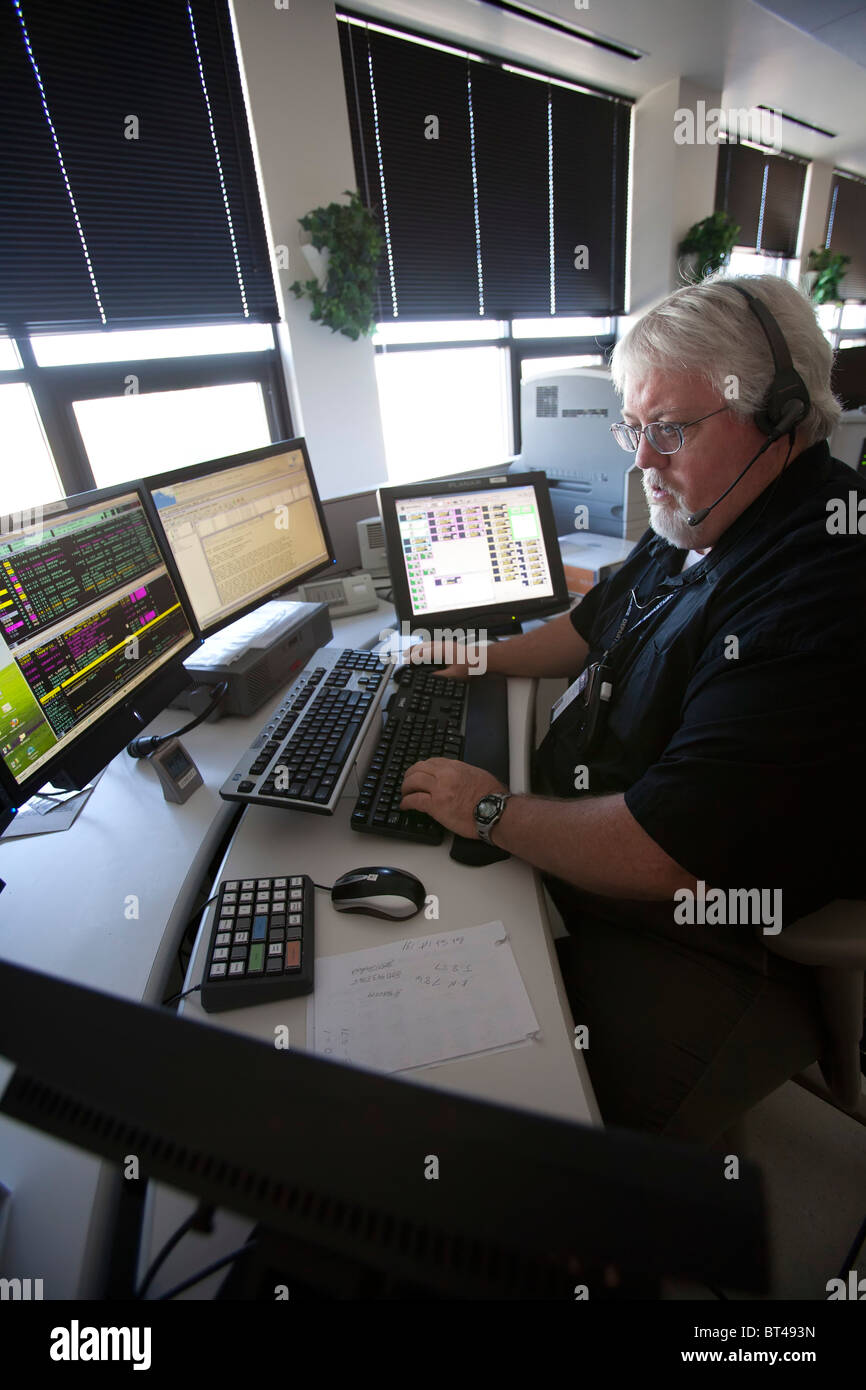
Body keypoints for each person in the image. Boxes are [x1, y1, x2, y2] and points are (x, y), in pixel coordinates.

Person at [400, 273, 866, 1142]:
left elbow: (666, 849)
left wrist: (490, 809)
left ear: (783, 418)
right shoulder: (702, 511)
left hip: (715, 930)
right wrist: (479, 657)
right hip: (608, 838)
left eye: (670, 431)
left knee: (521, 1113)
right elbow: (593, 619)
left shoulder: (822, 592)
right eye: (635, 427)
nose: (640, 460)